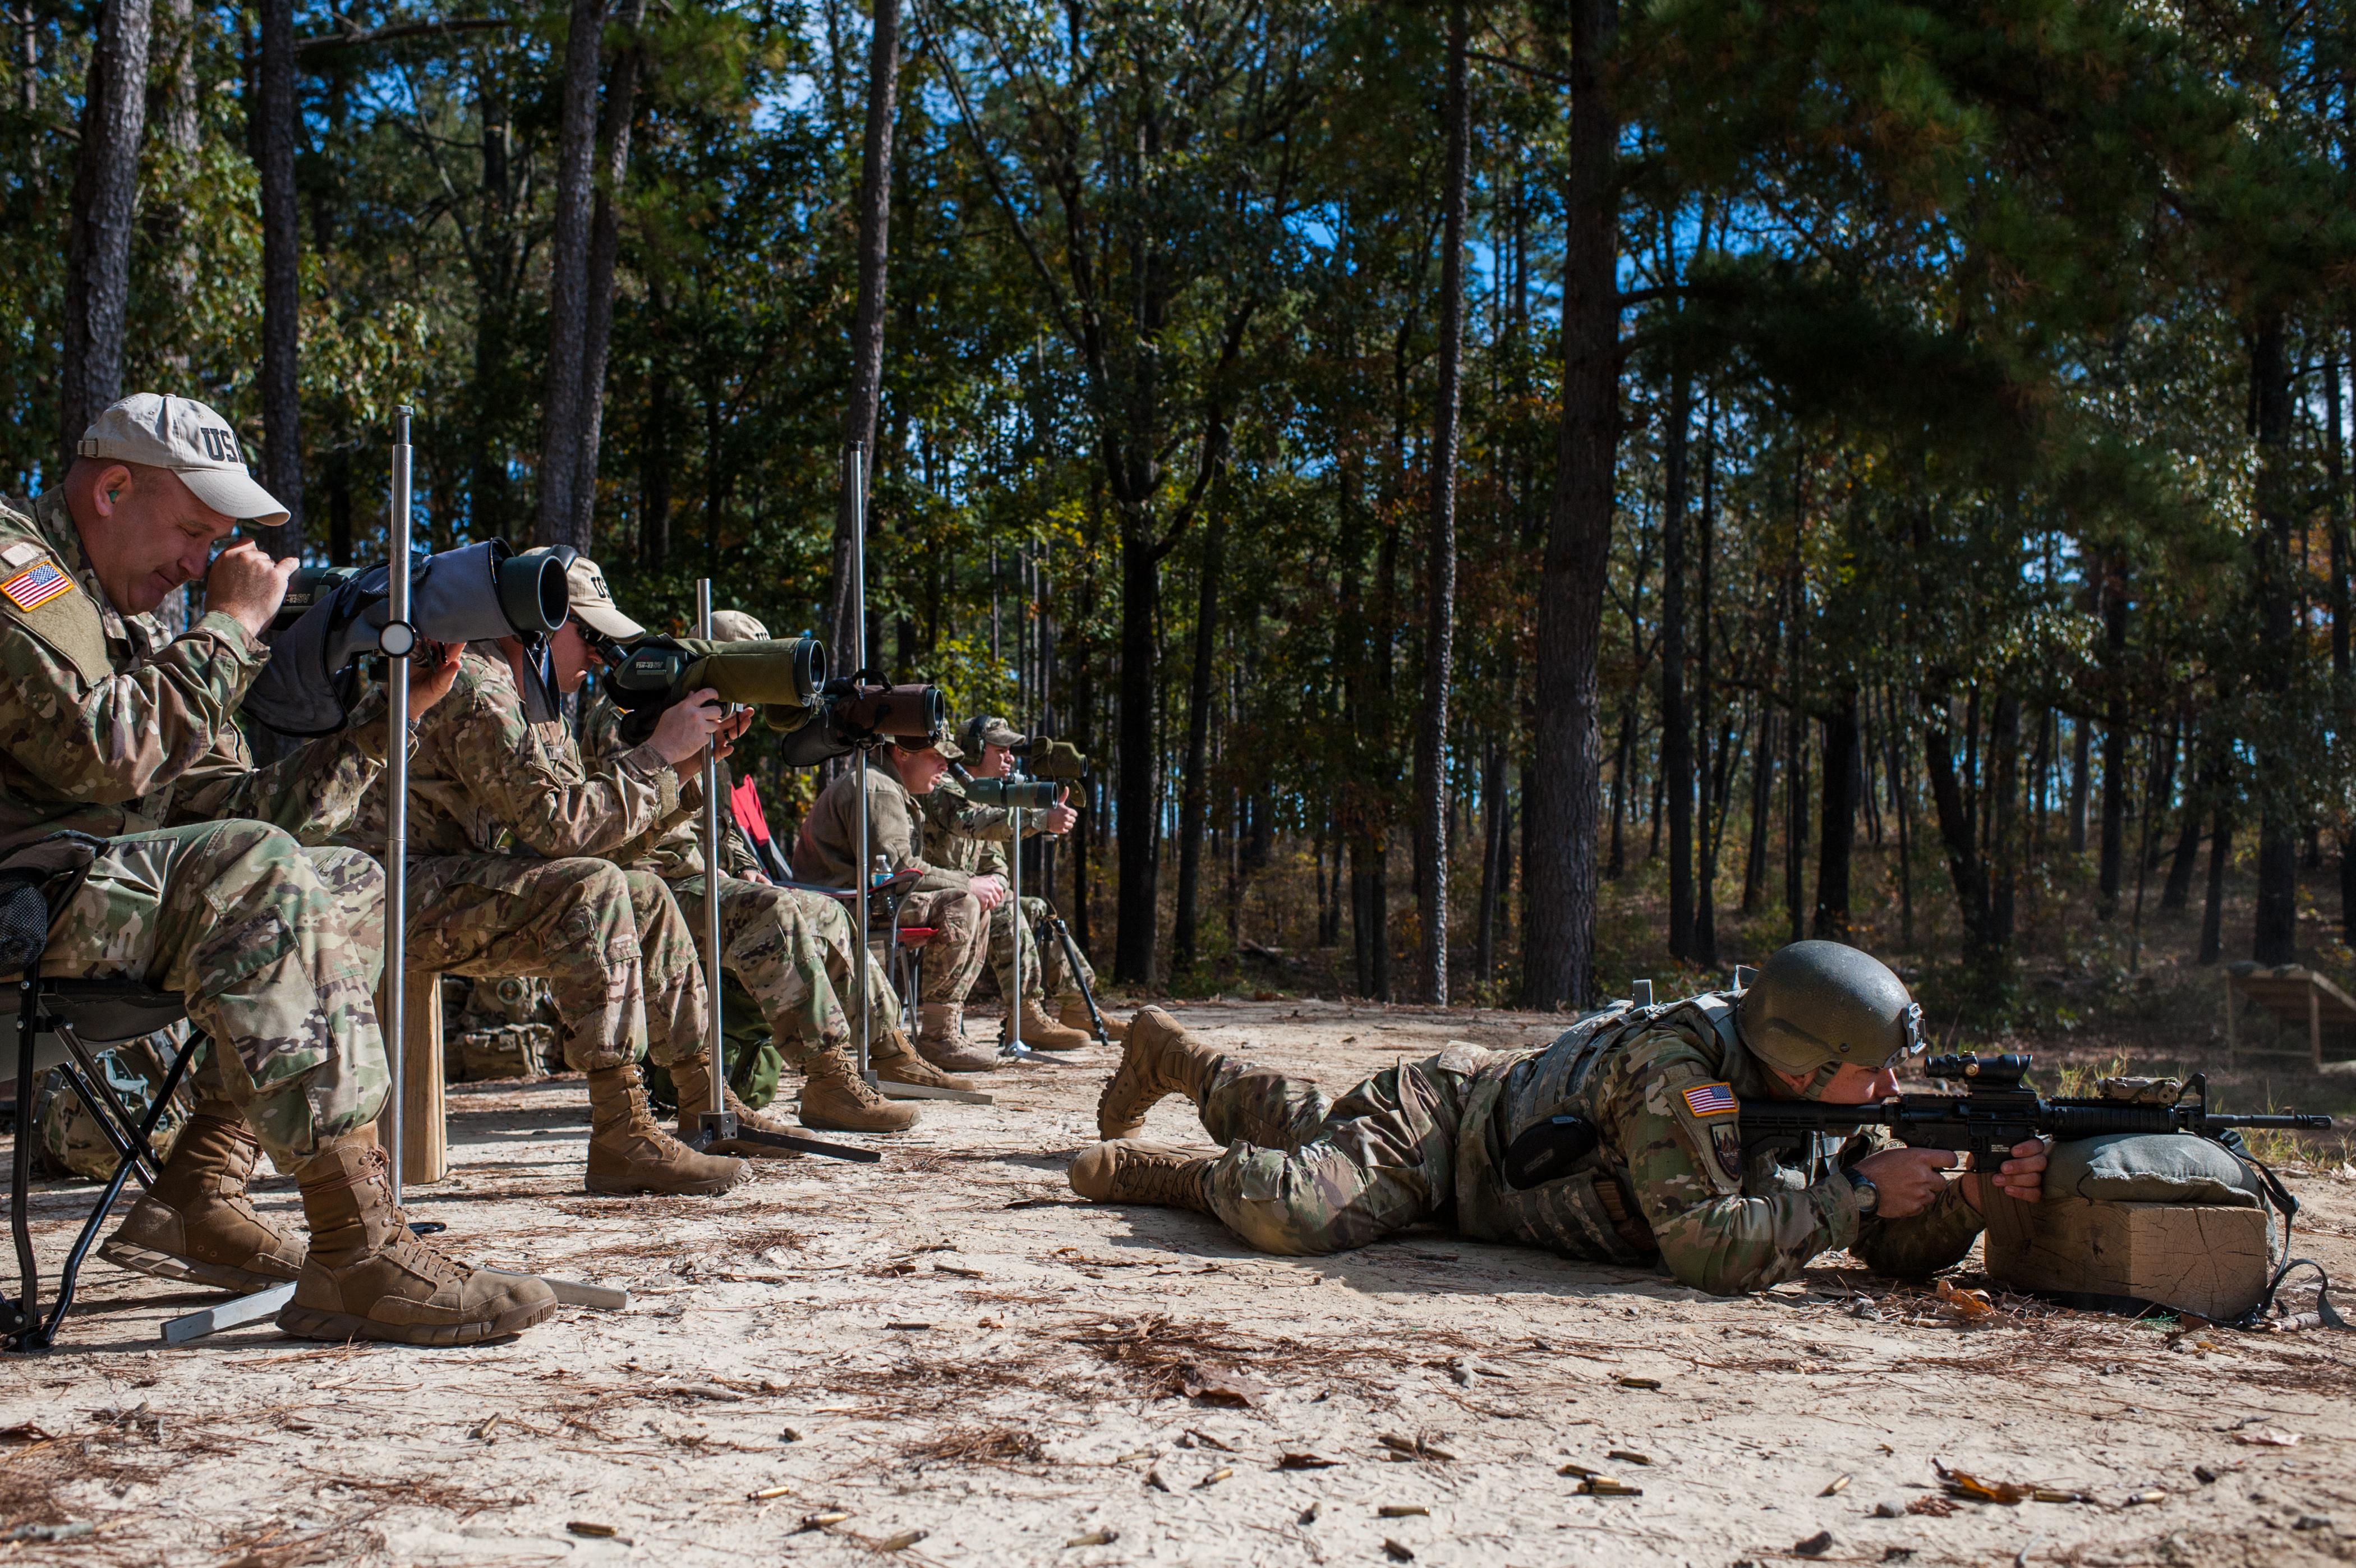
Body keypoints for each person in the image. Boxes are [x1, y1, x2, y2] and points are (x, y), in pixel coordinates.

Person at [5, 393, 553, 1344]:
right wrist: (228, 630)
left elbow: (236, 810)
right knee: (255, 872)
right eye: (190, 532)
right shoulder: (22, 575)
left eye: (213, 542)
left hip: (75, 896)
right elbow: (103, 754)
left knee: (342, 879)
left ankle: (198, 1192)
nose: (197, 563)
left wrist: (388, 724)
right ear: (113, 488)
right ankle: (357, 1248)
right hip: (18, 899)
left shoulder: (126, 619)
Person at [1070, 940, 2050, 1296]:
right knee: (1303, 1209)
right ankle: (1179, 1176)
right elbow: (1708, 1251)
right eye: (1873, 1075)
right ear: (1806, 1063)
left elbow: (1888, 1250)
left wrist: (1965, 1203)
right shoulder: (1678, 1074)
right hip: (1451, 1127)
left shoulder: (1814, 1104)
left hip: (1496, 1182)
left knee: (1313, 1121)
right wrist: (1850, 1199)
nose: (1889, 1093)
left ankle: (1178, 1057)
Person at [366, 553, 751, 1193]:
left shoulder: (535, 696)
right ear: (534, 620)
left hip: (451, 883)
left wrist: (683, 769)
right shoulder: (475, 684)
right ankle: (621, 1130)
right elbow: (559, 832)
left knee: (644, 891)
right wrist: (660, 753)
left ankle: (702, 1098)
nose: (600, 656)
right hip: (388, 891)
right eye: (589, 634)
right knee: (594, 888)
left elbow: (596, 843)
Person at [576, 606, 969, 1134]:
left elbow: (721, 827)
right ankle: (827, 1078)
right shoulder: (638, 709)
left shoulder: (703, 719)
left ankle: (886, 1047)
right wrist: (685, 753)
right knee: (774, 911)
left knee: (828, 912)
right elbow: (629, 823)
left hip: (696, 877)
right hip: (645, 884)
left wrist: (744, 867)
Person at [795, 730, 996, 1072]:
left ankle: (942, 1028)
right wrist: (967, 882)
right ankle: (937, 1039)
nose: (945, 766)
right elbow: (896, 869)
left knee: (974, 902)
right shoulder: (878, 787)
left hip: (859, 900)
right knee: (962, 903)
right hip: (845, 906)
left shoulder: (885, 784)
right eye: (936, 756)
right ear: (903, 752)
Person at [922, 714, 1120, 1048]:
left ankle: (1078, 1005)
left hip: (968, 897)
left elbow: (995, 862)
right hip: (935, 895)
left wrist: (995, 885)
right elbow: (973, 822)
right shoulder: (942, 788)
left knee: (1038, 908)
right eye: (1001, 750)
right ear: (973, 751)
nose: (1010, 758)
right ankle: (1025, 1013)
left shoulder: (981, 796)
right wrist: (1042, 819)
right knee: (1010, 908)